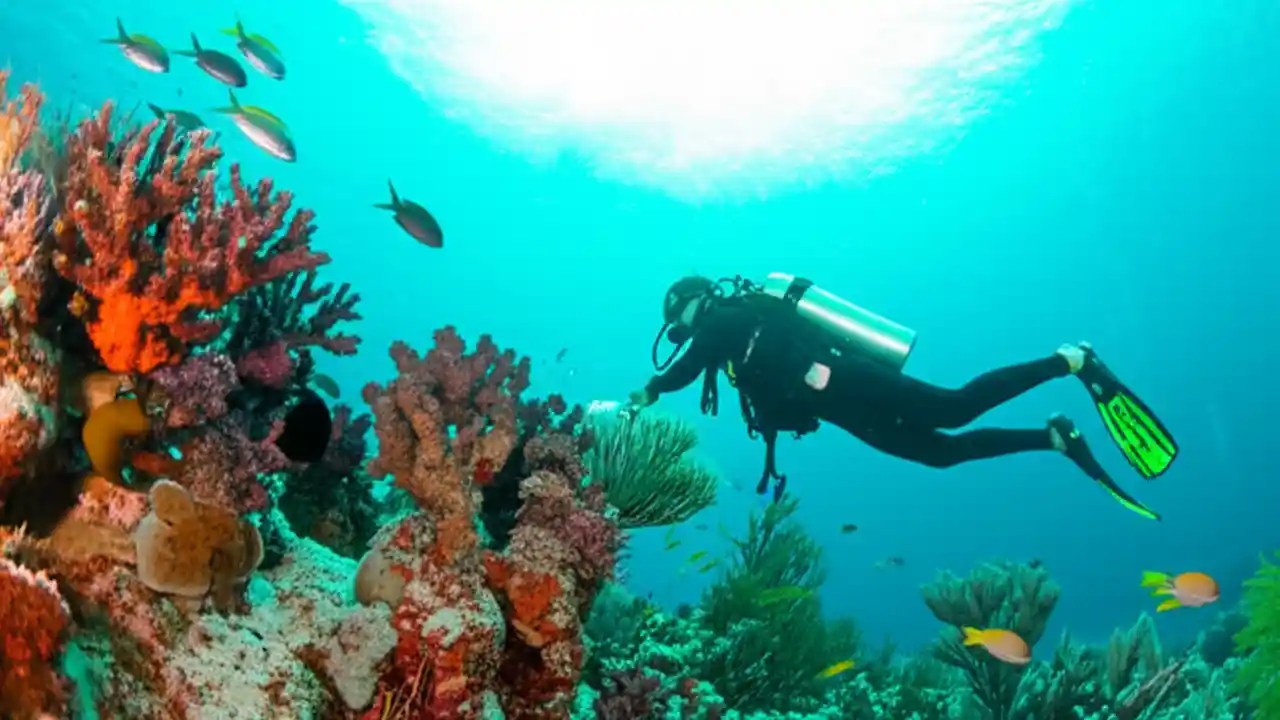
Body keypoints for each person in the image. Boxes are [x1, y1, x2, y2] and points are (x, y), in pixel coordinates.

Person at [628, 274, 1178, 520]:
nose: (687, 327)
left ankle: (1069, 360)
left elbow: (688, 364)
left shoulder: (730, 315)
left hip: (846, 379)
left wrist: (652, 389)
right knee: (940, 453)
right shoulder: (725, 346)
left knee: (954, 407)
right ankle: (1054, 437)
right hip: (838, 408)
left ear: (698, 302)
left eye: (683, 316)